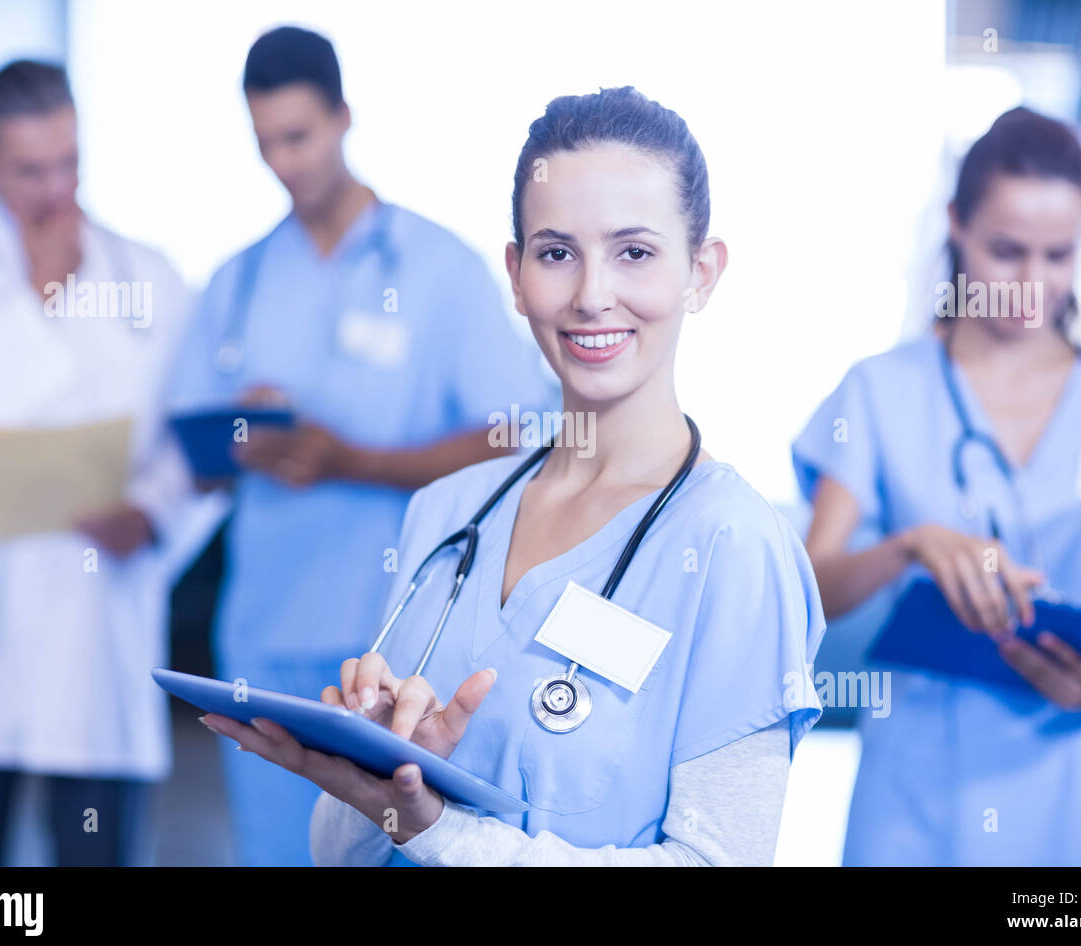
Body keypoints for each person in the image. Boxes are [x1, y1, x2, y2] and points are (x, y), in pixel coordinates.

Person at [200, 84, 826, 866]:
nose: (593, 295)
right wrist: (374, 781)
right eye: (558, 253)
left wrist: (440, 827)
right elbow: (339, 852)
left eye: (634, 252)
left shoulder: (734, 546)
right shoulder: (445, 516)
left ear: (702, 273)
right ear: (518, 273)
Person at [167, 27, 558, 865]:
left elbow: (517, 437)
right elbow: (194, 471)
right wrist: (240, 433)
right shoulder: (237, 285)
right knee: (279, 854)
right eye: (265, 141)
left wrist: (353, 460)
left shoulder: (438, 270)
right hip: (268, 638)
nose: (285, 161)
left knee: (398, 848)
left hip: (403, 645)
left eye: (300, 136)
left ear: (344, 117)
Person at [792, 107, 1081, 866]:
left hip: (1077, 791)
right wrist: (912, 546)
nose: (1032, 284)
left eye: (1059, 255)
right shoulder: (880, 391)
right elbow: (811, 590)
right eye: (1007, 252)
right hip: (919, 793)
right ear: (956, 225)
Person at [0, 60, 196, 865]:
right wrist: (42, 296)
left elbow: (188, 448)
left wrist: (151, 511)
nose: (55, 190)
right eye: (30, 170)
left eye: (69, 162)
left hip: (93, 625)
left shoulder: (148, 278)